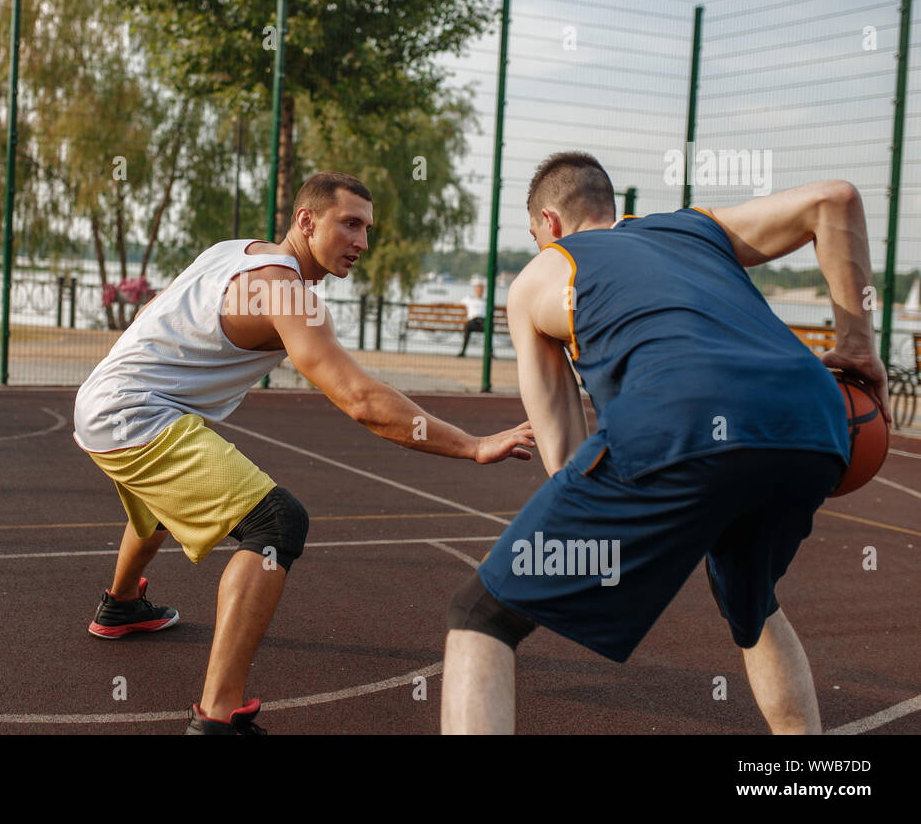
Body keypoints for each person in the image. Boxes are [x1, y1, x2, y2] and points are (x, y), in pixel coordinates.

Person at [441, 151, 888, 735]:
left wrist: (621, 540)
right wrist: (858, 348)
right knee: (752, 603)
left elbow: (565, 456)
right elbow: (836, 200)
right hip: (815, 414)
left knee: (481, 614)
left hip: (680, 414)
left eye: (534, 236)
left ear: (548, 224)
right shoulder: (694, 226)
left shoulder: (537, 279)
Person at [74, 170, 535, 735]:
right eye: (349, 224)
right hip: (132, 414)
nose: (362, 242)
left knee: (168, 496)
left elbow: (154, 313)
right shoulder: (290, 295)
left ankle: (120, 605)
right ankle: (218, 719)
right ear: (306, 220)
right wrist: (474, 445)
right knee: (276, 521)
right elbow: (363, 402)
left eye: (367, 229)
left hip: (109, 397)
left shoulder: (235, 251)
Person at [457, 279, 488, 357]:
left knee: (489, 328)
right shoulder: (469, 299)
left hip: (482, 321)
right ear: (475, 290)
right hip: (472, 321)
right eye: (478, 289)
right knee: (467, 327)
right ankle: (463, 351)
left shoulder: (486, 300)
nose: (479, 291)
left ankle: (488, 352)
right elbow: (457, 304)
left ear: (483, 291)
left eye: (481, 289)